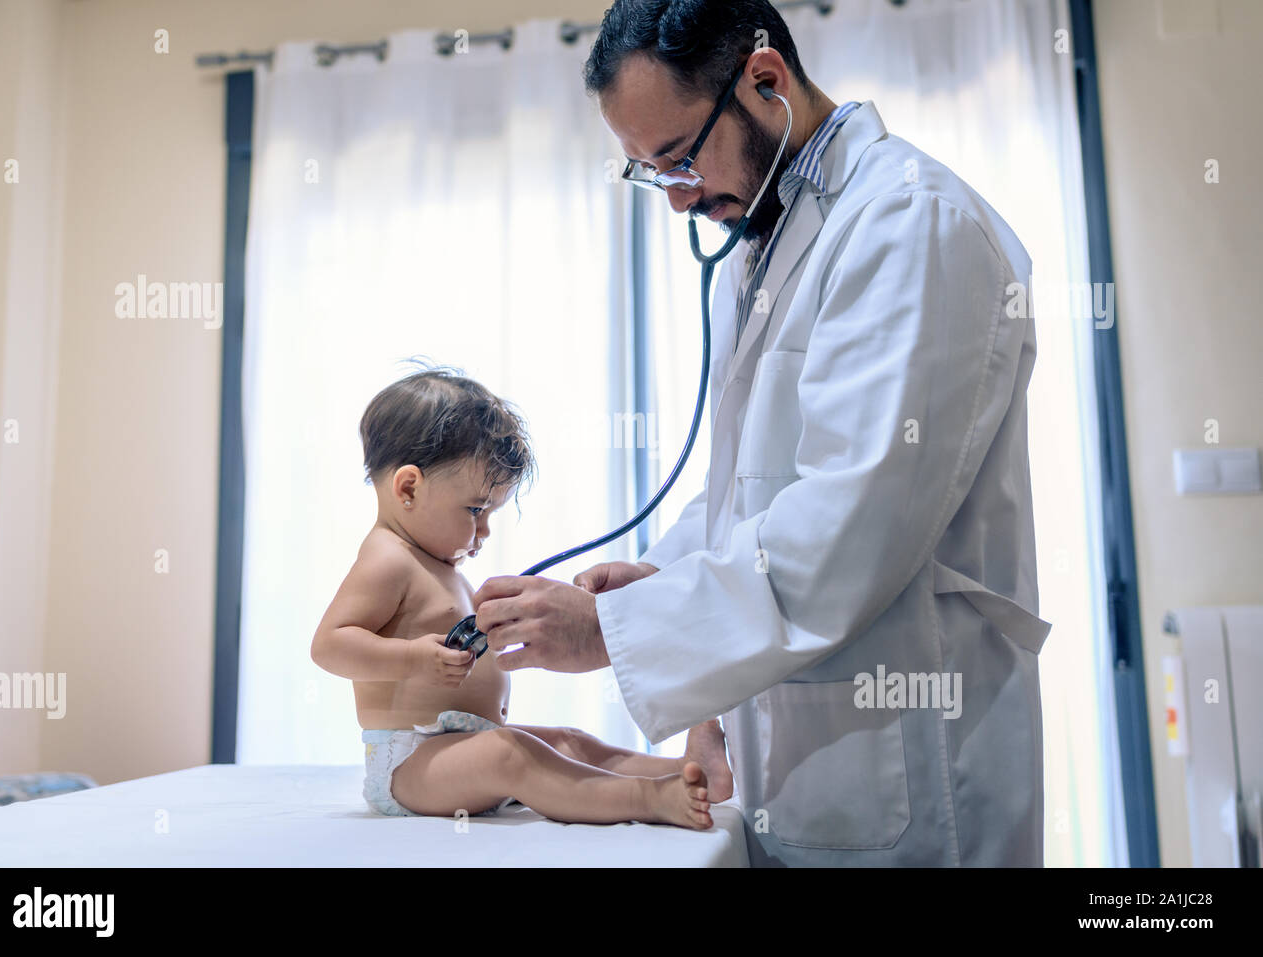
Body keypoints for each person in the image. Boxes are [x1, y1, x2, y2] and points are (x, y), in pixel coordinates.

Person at [470, 0, 1052, 865]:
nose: (677, 202)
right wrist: (654, 577)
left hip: (913, 766)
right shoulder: (765, 246)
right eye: (647, 174)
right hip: (798, 761)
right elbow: (751, 481)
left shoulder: (910, 223)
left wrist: (612, 633)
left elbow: (847, 528)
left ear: (766, 80)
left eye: (677, 159)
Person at [309, 366, 732, 828]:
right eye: (476, 510)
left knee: (568, 743)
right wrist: (412, 658)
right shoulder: (387, 558)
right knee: (513, 755)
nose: (485, 530)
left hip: (462, 746)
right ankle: (650, 798)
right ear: (408, 488)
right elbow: (330, 646)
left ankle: (684, 772)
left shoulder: (439, 566)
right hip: (411, 763)